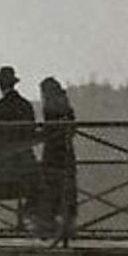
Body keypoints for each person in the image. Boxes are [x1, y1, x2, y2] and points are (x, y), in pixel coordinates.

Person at [0, 65, 41, 233]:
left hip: (4, 159)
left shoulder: (0, 105)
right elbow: (31, 131)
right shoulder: (26, 105)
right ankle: (25, 223)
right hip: (24, 159)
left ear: (1, 84)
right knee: (28, 188)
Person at [39, 77, 77, 238]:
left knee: (51, 189)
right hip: (65, 152)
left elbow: (52, 128)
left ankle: (50, 226)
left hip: (54, 152)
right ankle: (66, 227)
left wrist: (41, 135)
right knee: (66, 190)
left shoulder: (52, 104)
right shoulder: (64, 103)